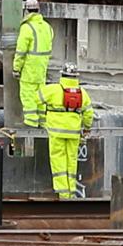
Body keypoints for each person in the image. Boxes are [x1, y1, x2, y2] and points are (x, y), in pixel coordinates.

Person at [39, 62, 94, 200]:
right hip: (74, 133)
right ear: (76, 77)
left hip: (56, 132)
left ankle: (62, 193)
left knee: (58, 162)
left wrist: (41, 118)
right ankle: (71, 193)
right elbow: (88, 114)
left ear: (62, 75)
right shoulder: (82, 93)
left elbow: (37, 99)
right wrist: (86, 127)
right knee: (72, 162)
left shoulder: (53, 90)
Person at [14, 0, 54, 127]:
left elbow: (21, 51)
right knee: (41, 95)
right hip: (42, 68)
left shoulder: (27, 28)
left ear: (26, 11)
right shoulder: (47, 27)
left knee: (28, 95)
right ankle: (42, 121)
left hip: (29, 68)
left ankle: (31, 122)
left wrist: (16, 68)